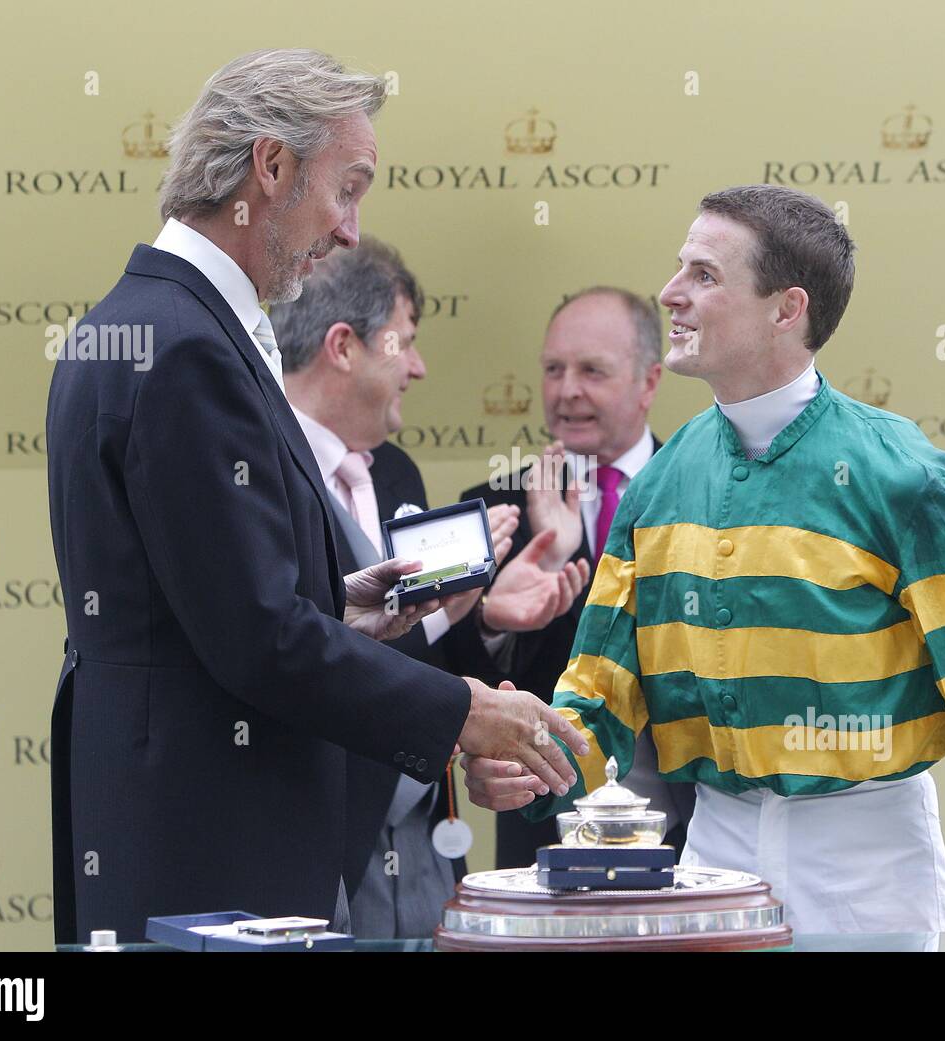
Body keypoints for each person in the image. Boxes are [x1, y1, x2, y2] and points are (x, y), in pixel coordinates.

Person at [45, 49, 584, 944]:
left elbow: (203, 607)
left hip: (180, 833)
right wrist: (469, 711)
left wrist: (341, 607)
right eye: (348, 188)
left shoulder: (144, 322)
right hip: (212, 855)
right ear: (271, 167)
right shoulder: (187, 348)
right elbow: (255, 641)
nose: (348, 231)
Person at [463, 185, 945, 935]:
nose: (671, 294)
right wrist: (530, 770)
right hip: (712, 854)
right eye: (680, 269)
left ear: (787, 309)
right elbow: (599, 697)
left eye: (704, 275)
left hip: (870, 869)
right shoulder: (658, 485)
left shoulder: (907, 476)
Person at [272, 237, 589, 936]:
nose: (419, 366)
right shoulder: (257, 473)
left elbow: (403, 651)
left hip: (418, 844)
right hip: (306, 843)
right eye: (405, 342)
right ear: (344, 346)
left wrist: (483, 620)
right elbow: (289, 648)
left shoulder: (396, 474)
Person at [446, 287, 695, 867]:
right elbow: (458, 677)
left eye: (592, 371)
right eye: (554, 370)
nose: (567, 391)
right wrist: (498, 616)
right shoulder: (493, 506)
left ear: (649, 382)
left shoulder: (701, 494)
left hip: (694, 829)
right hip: (545, 832)